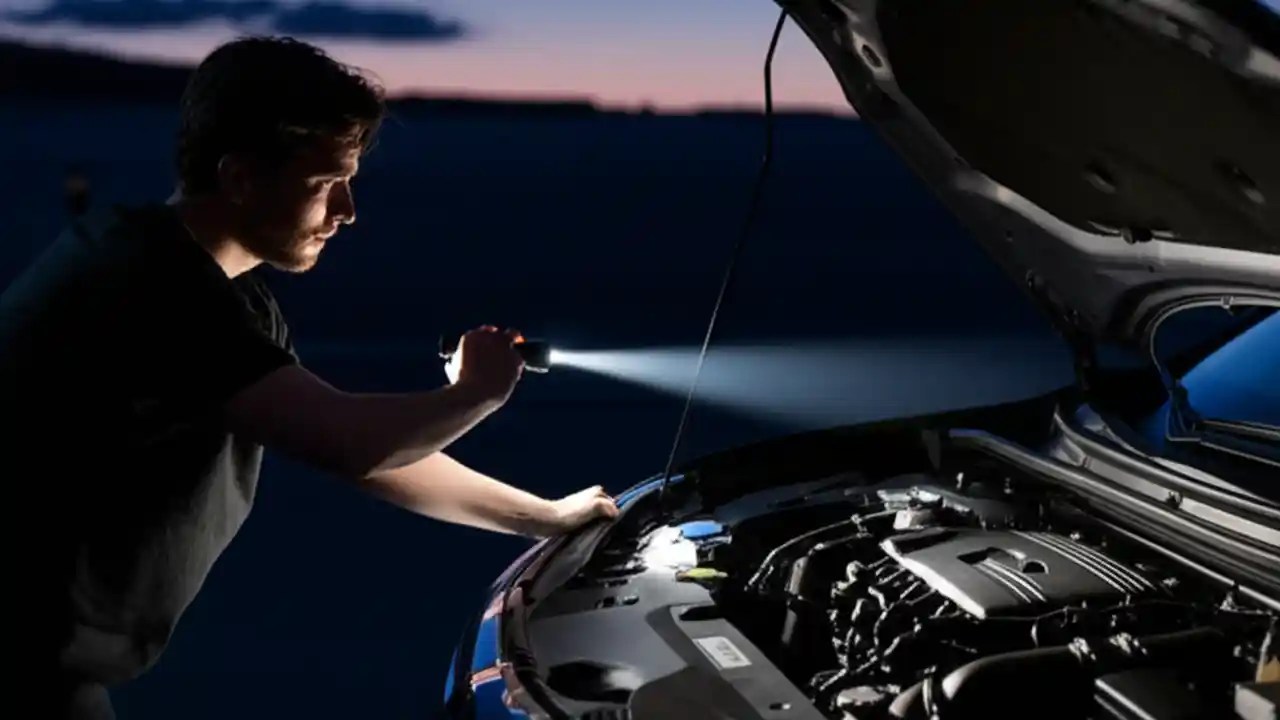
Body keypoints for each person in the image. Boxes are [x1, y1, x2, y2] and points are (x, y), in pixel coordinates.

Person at [0, 36, 619, 719]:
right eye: (325, 184)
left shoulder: (209, 285)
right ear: (239, 178)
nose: (347, 211)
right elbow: (348, 442)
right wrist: (474, 393)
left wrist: (545, 517)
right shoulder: (155, 286)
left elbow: (364, 454)